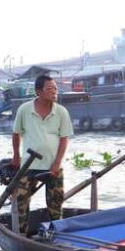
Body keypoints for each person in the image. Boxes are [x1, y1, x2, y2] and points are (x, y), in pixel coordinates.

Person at [11, 74, 73, 233]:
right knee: (21, 201)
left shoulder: (61, 112)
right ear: (39, 91)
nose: (54, 92)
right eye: (50, 89)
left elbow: (64, 138)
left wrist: (57, 163)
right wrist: (16, 156)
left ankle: (56, 235)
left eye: (56, 88)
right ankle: (21, 235)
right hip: (29, 165)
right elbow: (16, 134)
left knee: (55, 203)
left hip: (53, 166)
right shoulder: (25, 109)